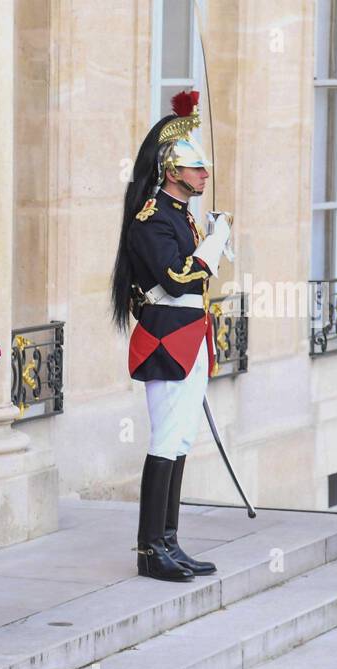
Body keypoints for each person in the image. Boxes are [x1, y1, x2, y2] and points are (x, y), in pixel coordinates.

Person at [109, 89, 232, 582]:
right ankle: (149, 548)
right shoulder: (152, 218)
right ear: (172, 170)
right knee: (164, 439)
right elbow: (177, 277)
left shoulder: (181, 214)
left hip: (191, 334)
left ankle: (169, 539)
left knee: (181, 438)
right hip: (165, 337)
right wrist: (217, 242)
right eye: (196, 168)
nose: (205, 175)